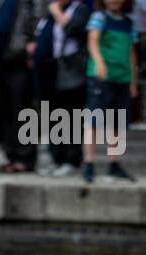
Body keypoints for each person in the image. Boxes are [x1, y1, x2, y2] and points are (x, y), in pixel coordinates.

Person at [82, 0, 138, 180]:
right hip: (101, 78)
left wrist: (133, 81)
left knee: (117, 124)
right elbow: (92, 41)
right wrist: (99, 63)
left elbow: (131, 53)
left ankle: (114, 163)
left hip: (121, 78)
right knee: (94, 120)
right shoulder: (99, 17)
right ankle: (88, 163)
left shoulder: (128, 23)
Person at [0, 0, 40, 172]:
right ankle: (11, 155)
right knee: (4, 110)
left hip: (20, 60)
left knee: (23, 111)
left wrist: (33, 42)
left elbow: (37, 19)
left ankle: (25, 158)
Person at [47, 0, 89, 172]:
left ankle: (72, 159)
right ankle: (57, 158)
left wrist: (56, 11)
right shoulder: (49, 11)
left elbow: (73, 29)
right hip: (54, 67)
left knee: (72, 115)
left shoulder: (81, 10)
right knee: (55, 114)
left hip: (73, 69)